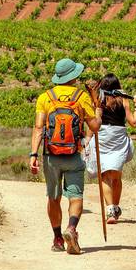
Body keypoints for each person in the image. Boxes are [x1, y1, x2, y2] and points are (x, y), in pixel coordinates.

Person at [30, 58, 100, 254]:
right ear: (74, 76)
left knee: (54, 198)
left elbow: (38, 128)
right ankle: (71, 228)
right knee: (75, 196)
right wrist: (97, 106)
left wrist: (33, 154)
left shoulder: (45, 97)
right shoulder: (81, 96)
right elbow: (95, 126)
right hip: (73, 155)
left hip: (51, 156)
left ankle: (58, 239)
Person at [83, 73, 136, 224]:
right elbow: (133, 122)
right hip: (118, 138)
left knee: (105, 175)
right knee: (116, 176)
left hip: (103, 137)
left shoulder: (100, 99)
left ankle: (110, 210)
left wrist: (87, 140)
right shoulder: (124, 99)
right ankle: (114, 208)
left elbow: (96, 122)